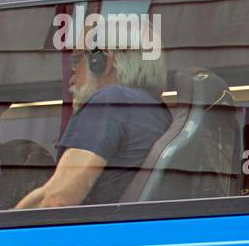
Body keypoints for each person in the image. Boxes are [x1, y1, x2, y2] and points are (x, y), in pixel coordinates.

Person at [16, 48, 169, 209]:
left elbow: (57, 200)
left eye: (76, 64)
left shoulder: (110, 101)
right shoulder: (155, 109)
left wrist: (6, 225)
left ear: (102, 60)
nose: (71, 80)